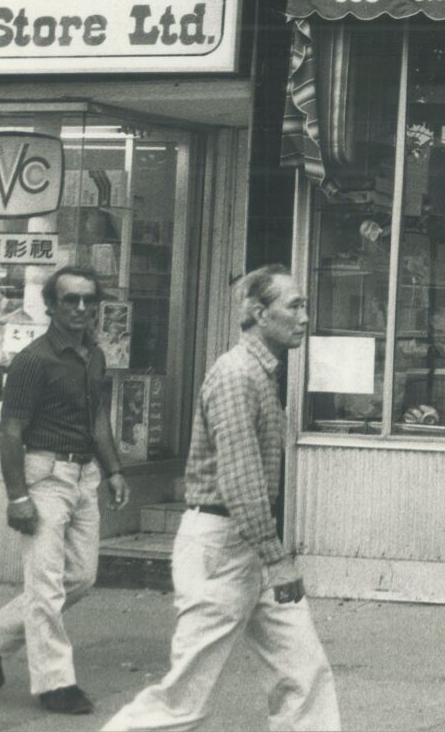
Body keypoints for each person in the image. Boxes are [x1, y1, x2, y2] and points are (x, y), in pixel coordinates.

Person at [103, 265, 340, 731]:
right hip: (221, 545)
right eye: (294, 306)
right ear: (257, 312)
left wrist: (268, 555)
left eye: (304, 305)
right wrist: (277, 558)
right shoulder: (236, 376)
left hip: (246, 544)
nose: (305, 317)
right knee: (185, 696)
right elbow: (241, 480)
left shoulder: (260, 374)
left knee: (303, 673)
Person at [0, 265, 129, 716]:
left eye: (88, 301)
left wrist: (113, 469)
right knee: (46, 585)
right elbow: (11, 430)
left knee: (81, 577)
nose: (80, 308)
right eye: (70, 300)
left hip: (84, 475)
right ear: (51, 306)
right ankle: (55, 684)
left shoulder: (94, 356)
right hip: (43, 474)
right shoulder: (34, 360)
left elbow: (97, 419)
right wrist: (17, 496)